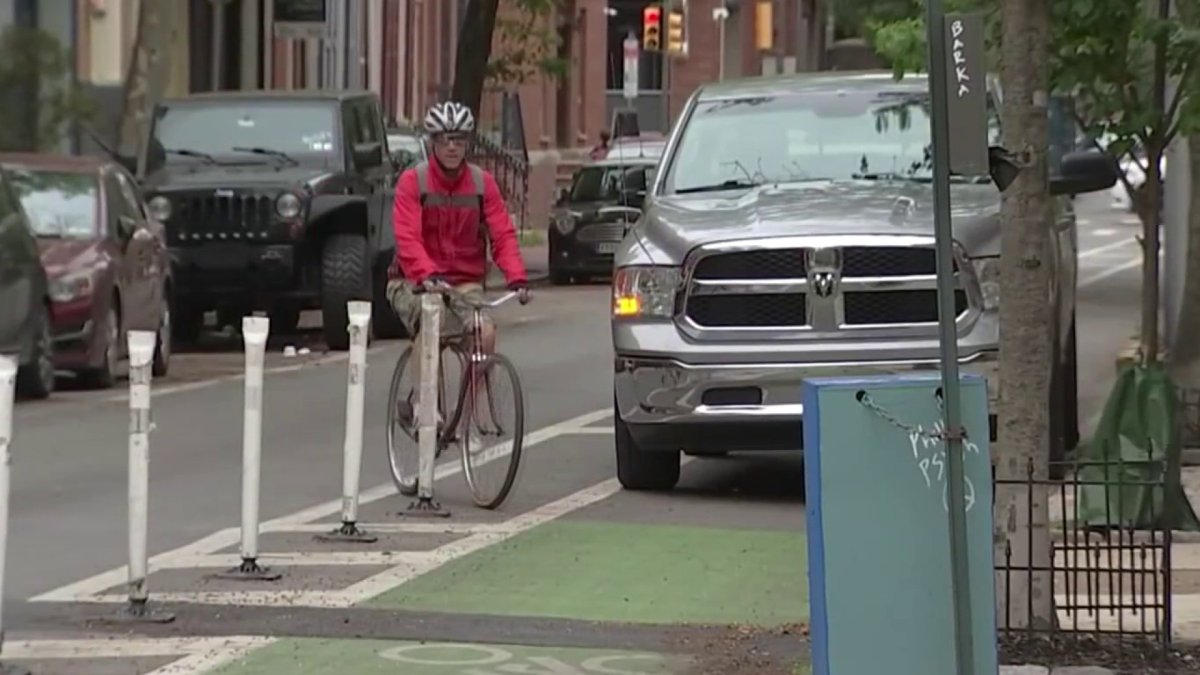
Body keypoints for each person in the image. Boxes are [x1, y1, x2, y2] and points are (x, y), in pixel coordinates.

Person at [388, 100, 530, 356]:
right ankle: (425, 396)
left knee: (484, 333)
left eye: (459, 140)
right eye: (444, 140)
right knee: (433, 323)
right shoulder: (413, 182)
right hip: (415, 281)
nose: (452, 147)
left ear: (468, 143)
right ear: (433, 143)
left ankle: (471, 397)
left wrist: (516, 277)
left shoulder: (482, 183)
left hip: (464, 282)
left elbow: (502, 234)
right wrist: (427, 274)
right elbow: (407, 236)